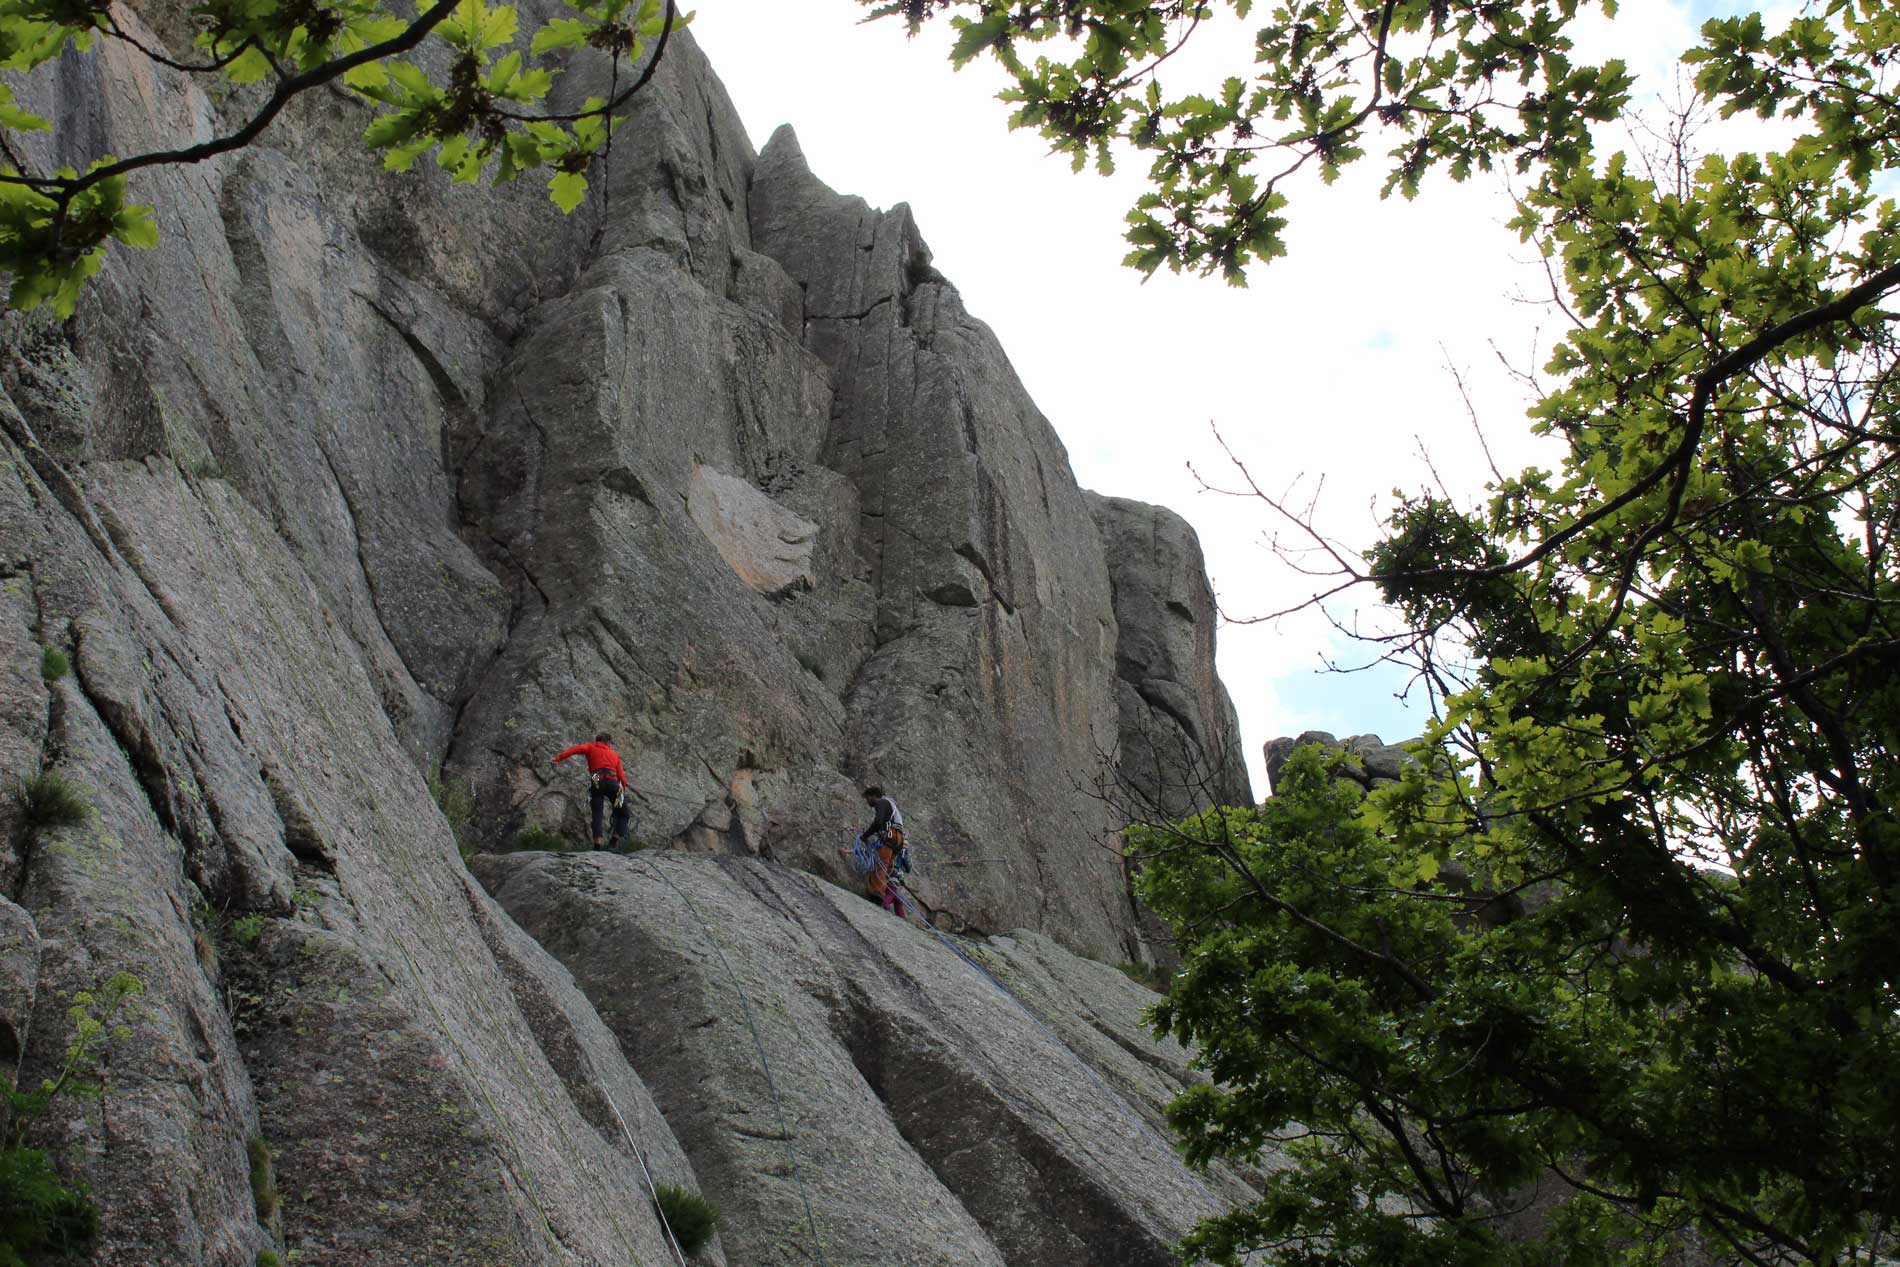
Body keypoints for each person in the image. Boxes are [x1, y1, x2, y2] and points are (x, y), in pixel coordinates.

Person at [552, 732, 639, 851]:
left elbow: (573, 750)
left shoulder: (590, 747)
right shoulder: (614, 755)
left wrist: (558, 759)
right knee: (624, 813)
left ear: (597, 740)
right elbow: (621, 777)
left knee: (597, 812)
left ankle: (597, 844)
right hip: (613, 783)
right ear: (608, 742)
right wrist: (623, 788)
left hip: (596, 778)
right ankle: (614, 841)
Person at [849, 785, 908, 919]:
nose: (867, 802)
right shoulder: (891, 805)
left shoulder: (882, 802)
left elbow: (878, 821)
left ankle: (877, 892)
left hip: (891, 835)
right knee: (884, 864)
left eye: (867, 798)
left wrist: (865, 835)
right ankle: (879, 890)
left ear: (873, 796)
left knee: (880, 863)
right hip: (896, 838)